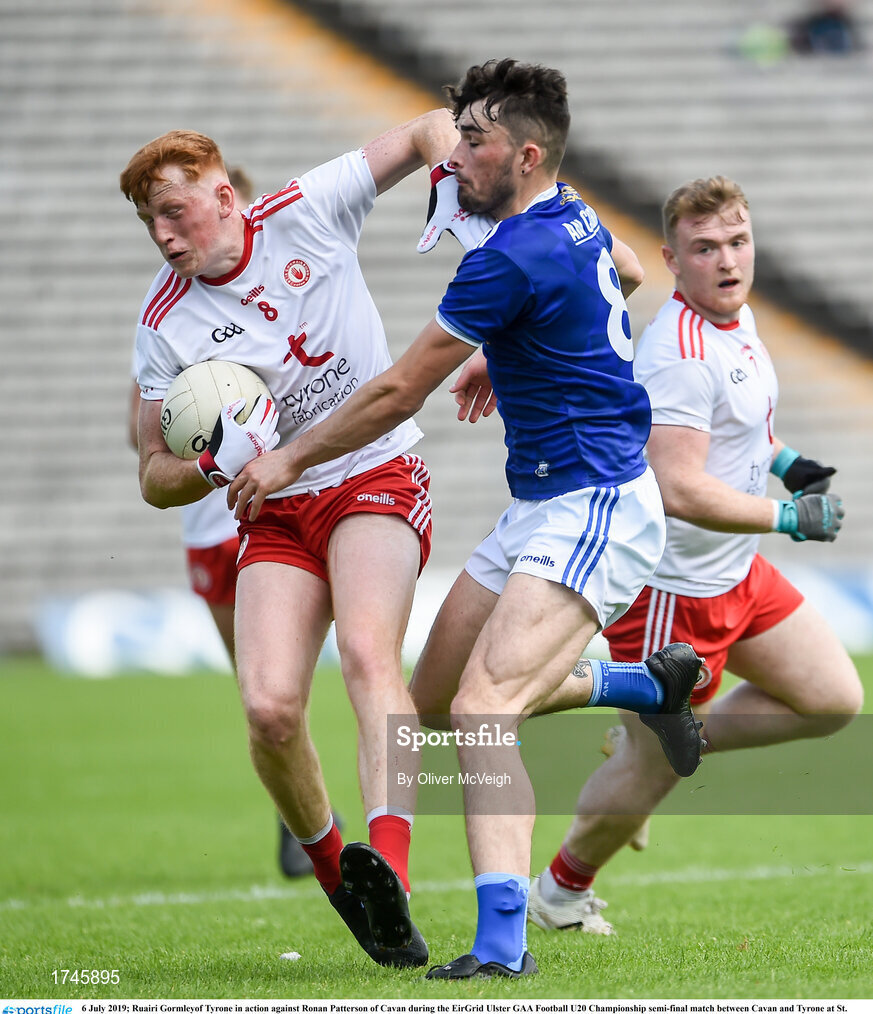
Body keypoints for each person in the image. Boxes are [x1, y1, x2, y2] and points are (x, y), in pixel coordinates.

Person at [226, 59, 706, 979]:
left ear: (524, 155)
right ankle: (645, 687)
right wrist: (510, 343)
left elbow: (400, 390)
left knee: (486, 709)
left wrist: (287, 457)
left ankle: (500, 945)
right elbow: (631, 268)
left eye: (474, 142)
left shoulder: (508, 257)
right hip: (540, 508)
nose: (455, 159)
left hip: (597, 501)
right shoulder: (570, 210)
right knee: (438, 702)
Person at [121, 111, 464, 968]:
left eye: (175, 212)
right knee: (270, 707)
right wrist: (212, 462)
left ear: (224, 196)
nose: (164, 235)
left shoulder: (308, 207)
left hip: (374, 472)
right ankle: (349, 891)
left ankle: (390, 865)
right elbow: (151, 475)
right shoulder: (164, 324)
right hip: (272, 507)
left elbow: (433, 124)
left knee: (365, 652)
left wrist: (448, 193)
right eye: (148, 222)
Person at [523, 175, 862, 937]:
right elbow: (676, 484)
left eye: (736, 242)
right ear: (672, 261)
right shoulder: (678, 350)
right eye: (704, 248)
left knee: (832, 699)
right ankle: (559, 894)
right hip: (674, 589)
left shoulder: (735, 322)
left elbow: (737, 432)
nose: (726, 259)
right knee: (650, 774)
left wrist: (787, 464)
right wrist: (788, 516)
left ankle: (653, 736)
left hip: (734, 572)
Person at [126, 166, 319, 881]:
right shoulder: (167, 326)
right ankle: (295, 815)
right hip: (214, 525)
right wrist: (211, 430)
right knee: (265, 693)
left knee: (304, 674)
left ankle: (323, 826)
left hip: (295, 502)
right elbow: (140, 443)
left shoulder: (283, 290)